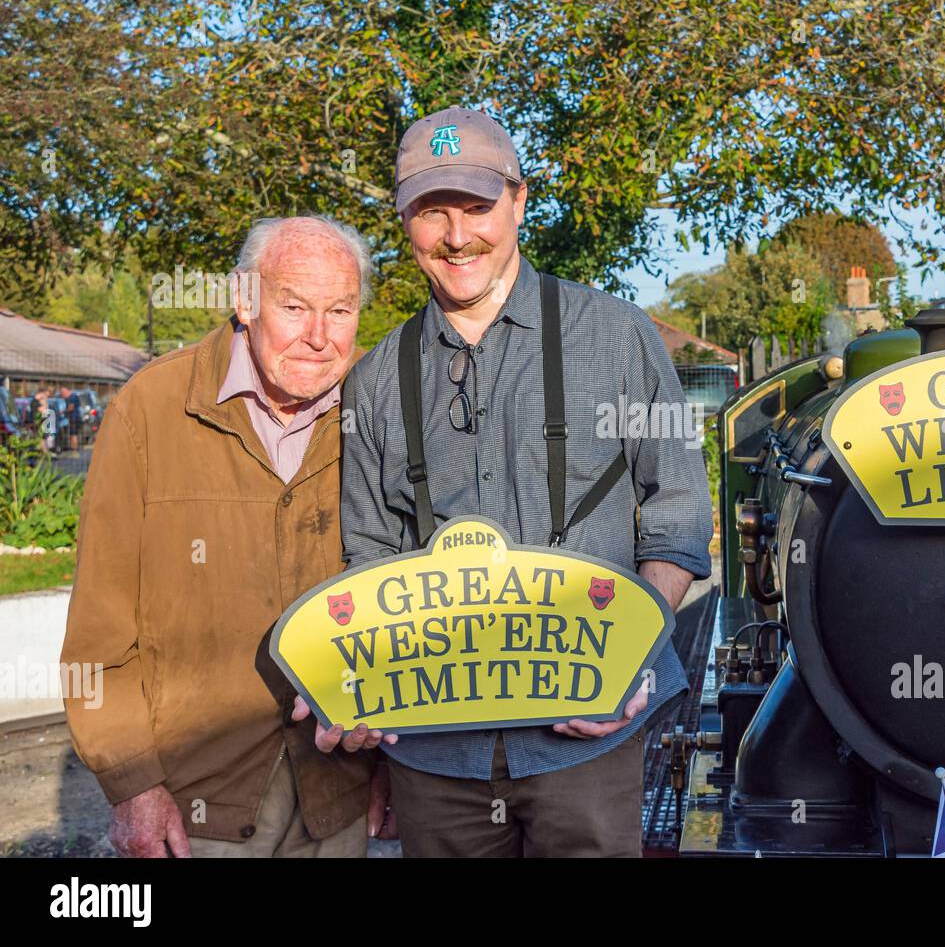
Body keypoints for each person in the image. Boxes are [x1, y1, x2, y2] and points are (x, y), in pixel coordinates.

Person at [296, 106, 714, 857]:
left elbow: (678, 517)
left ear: (519, 202)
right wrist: (347, 686)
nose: (458, 237)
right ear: (404, 222)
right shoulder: (375, 380)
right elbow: (368, 556)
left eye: (478, 207)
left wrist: (627, 658)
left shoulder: (619, 336)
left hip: (587, 737)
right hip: (435, 753)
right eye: (432, 212)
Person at [62, 215, 387, 857]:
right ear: (244, 300)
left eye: (340, 310)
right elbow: (98, 635)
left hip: (336, 796)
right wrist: (132, 788)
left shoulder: (378, 414)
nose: (319, 337)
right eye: (294, 306)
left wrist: (390, 770)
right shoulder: (150, 409)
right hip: (195, 806)